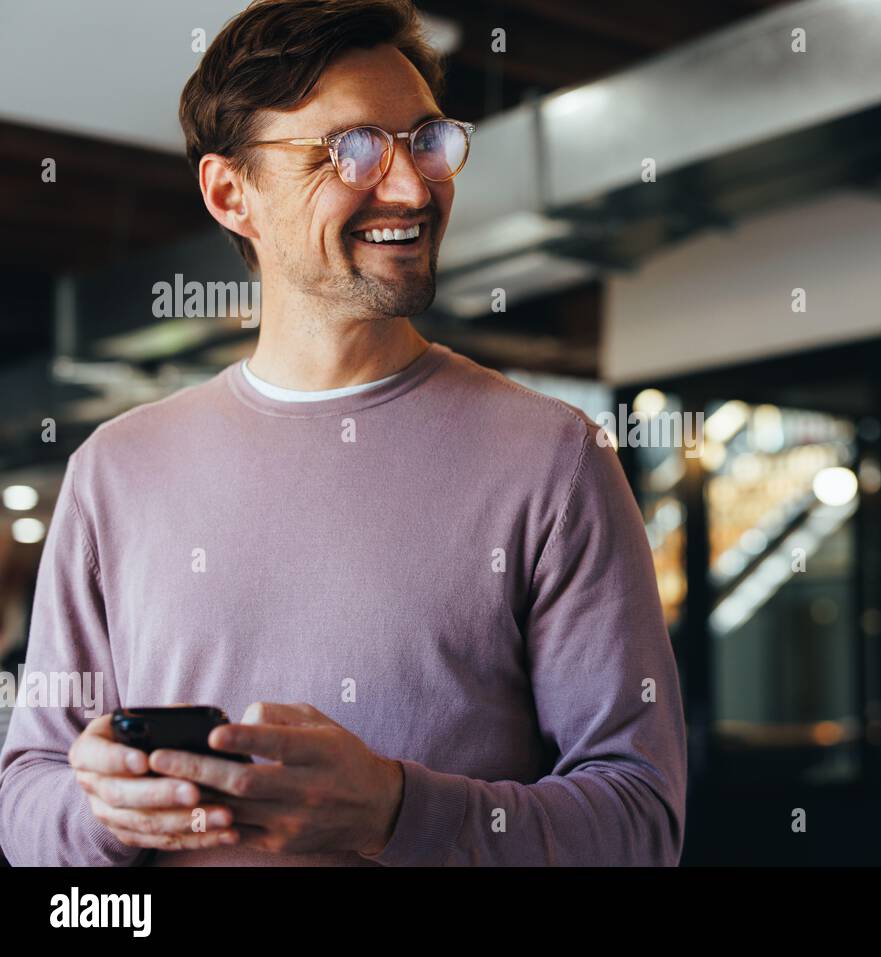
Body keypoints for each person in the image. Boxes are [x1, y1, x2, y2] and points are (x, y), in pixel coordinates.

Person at [0, 0, 686, 866]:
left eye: (426, 141)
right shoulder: (115, 469)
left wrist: (396, 812)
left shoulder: (554, 458)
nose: (410, 188)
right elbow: (26, 791)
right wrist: (110, 812)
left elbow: (639, 821)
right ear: (229, 193)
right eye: (350, 150)